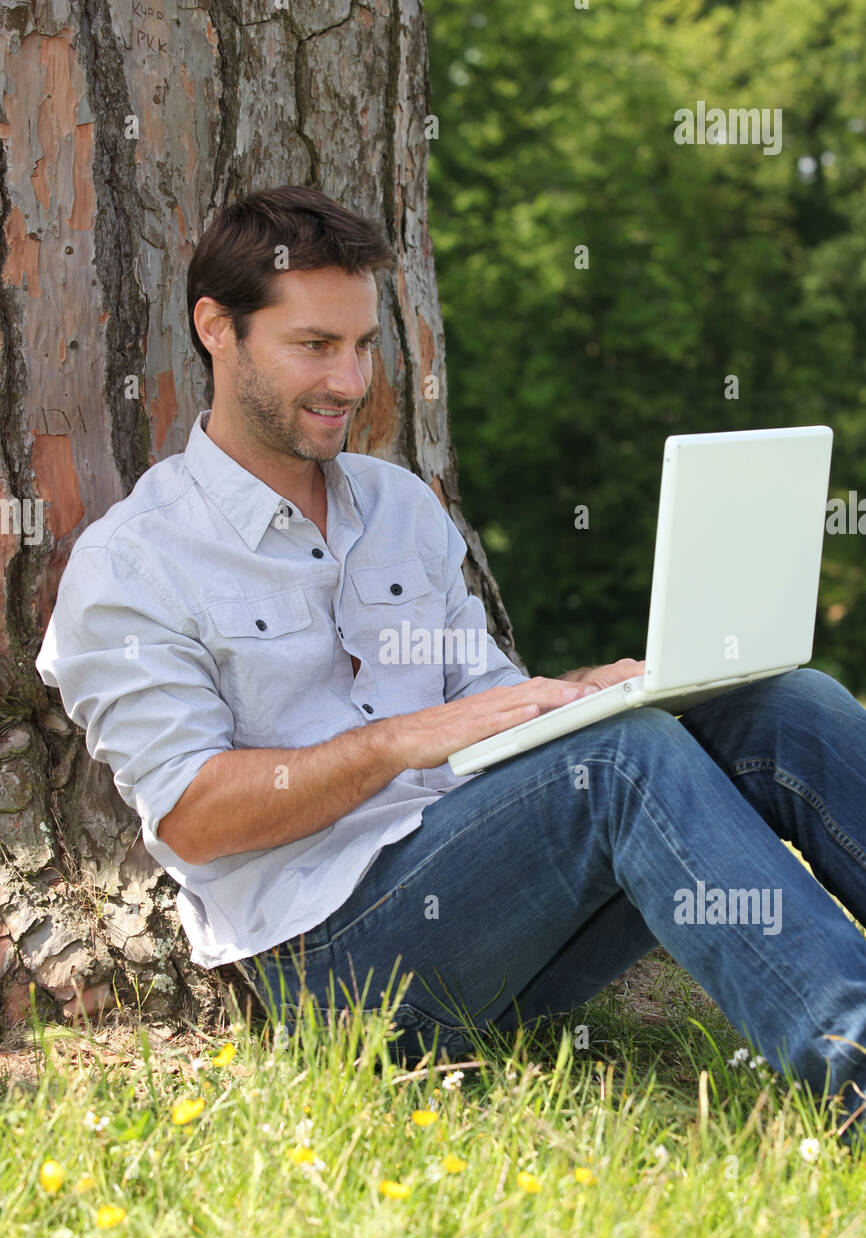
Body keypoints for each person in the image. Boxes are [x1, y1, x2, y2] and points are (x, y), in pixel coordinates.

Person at [35, 186, 866, 1146]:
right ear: (217, 330)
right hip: (334, 967)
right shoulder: (131, 563)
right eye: (314, 346)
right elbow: (192, 814)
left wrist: (584, 695)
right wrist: (395, 743)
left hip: (492, 904)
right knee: (618, 764)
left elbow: (481, 704)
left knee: (779, 706)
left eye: (362, 345)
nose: (349, 380)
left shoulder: (398, 508)